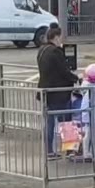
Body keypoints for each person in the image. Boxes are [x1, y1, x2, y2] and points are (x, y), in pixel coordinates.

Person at [36, 25, 81, 157]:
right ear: (56, 37)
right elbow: (64, 72)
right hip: (59, 93)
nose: (61, 40)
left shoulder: (42, 50)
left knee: (49, 122)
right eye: (60, 37)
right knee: (67, 121)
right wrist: (76, 78)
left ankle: (49, 150)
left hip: (46, 92)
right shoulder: (56, 52)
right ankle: (70, 149)